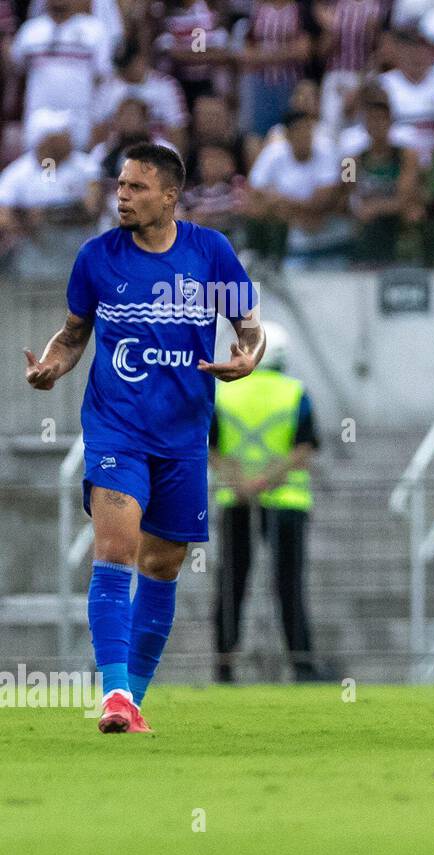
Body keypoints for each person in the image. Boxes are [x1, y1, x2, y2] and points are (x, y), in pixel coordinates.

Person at [23, 142, 264, 734]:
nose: (121, 197)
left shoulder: (210, 253)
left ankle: (131, 702)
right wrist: (54, 363)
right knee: (116, 550)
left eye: (134, 187)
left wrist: (248, 359)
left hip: (183, 435)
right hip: (115, 428)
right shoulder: (97, 256)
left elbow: (249, 326)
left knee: (162, 566)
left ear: (169, 195)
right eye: (120, 185)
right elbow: (74, 332)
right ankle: (113, 694)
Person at [210, 321, 323, 682]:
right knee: (289, 585)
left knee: (231, 585)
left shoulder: (221, 393)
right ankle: (302, 665)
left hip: (236, 500)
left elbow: (208, 447)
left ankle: (224, 666)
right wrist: (267, 481)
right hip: (287, 501)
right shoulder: (295, 393)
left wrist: (240, 482)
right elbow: (304, 450)